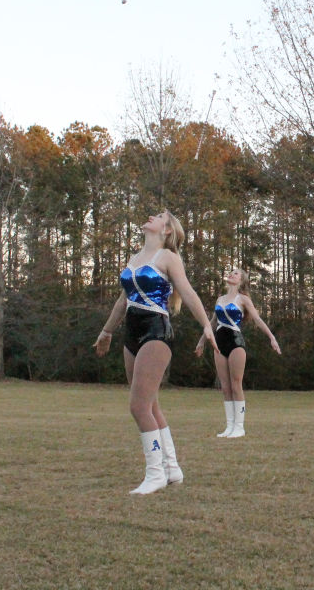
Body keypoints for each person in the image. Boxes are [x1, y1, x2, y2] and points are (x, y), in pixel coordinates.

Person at [94, 211, 219, 495]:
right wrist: (106, 331)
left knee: (138, 407)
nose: (151, 215)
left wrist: (206, 326)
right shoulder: (135, 259)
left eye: (160, 216)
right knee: (150, 406)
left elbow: (187, 292)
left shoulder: (167, 258)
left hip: (156, 331)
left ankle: (155, 473)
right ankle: (172, 468)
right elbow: (123, 301)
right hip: (132, 332)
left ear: (167, 231)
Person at [195, 268, 282, 438]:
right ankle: (229, 426)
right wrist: (201, 342)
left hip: (235, 342)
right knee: (225, 387)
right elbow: (212, 323)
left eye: (236, 274)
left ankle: (239, 427)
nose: (231, 274)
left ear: (241, 281)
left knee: (236, 385)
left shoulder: (243, 299)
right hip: (219, 342)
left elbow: (257, 319)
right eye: (231, 272)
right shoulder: (220, 299)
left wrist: (272, 337)